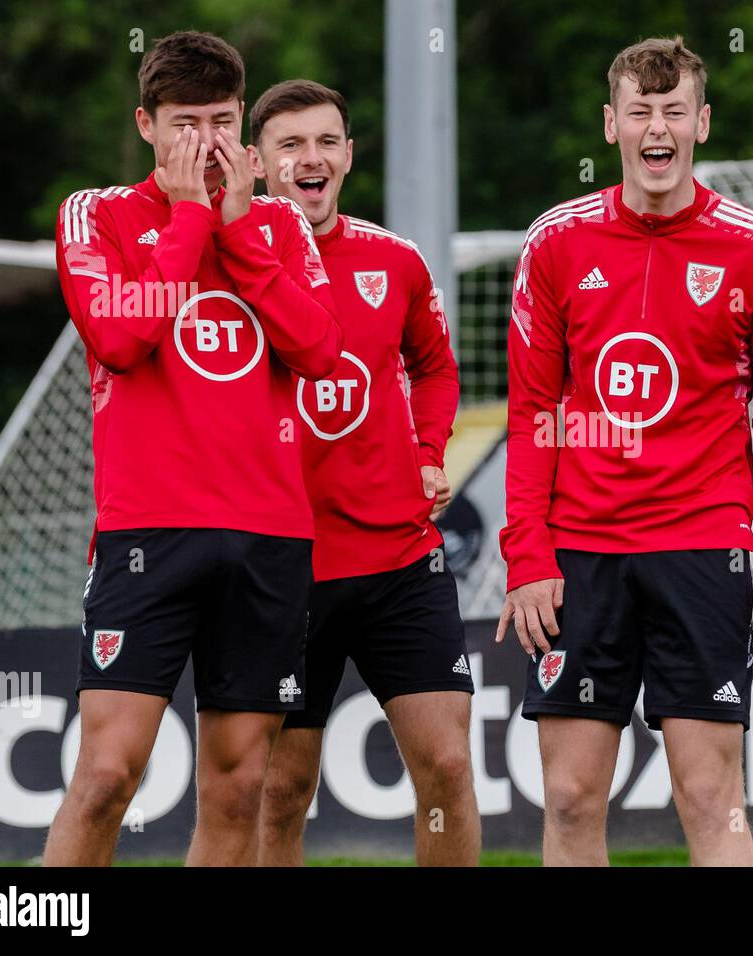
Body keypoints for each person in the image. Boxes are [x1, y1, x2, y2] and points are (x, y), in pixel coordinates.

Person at [497, 36, 753, 866]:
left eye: (674, 110)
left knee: (711, 798)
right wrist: (526, 553)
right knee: (567, 800)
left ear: (702, 123)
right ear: (612, 125)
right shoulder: (556, 244)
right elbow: (532, 412)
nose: (657, 127)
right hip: (581, 555)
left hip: (703, 549)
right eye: (640, 111)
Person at [45, 31, 342, 866]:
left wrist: (239, 230)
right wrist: (186, 220)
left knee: (242, 784)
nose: (205, 145)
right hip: (150, 535)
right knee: (107, 775)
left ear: (242, 119)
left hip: (270, 538)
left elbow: (320, 351)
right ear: (146, 123)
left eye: (220, 122)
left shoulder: (280, 222)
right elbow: (119, 338)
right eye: (183, 124)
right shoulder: (96, 213)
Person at [247, 80, 478, 866]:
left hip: (399, 559)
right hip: (282, 568)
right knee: (280, 790)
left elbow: (436, 367)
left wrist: (425, 451)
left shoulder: (395, 260)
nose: (311, 159)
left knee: (446, 766)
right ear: (257, 163)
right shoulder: (230, 266)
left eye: (326, 142)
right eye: (290, 145)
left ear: (346, 154)